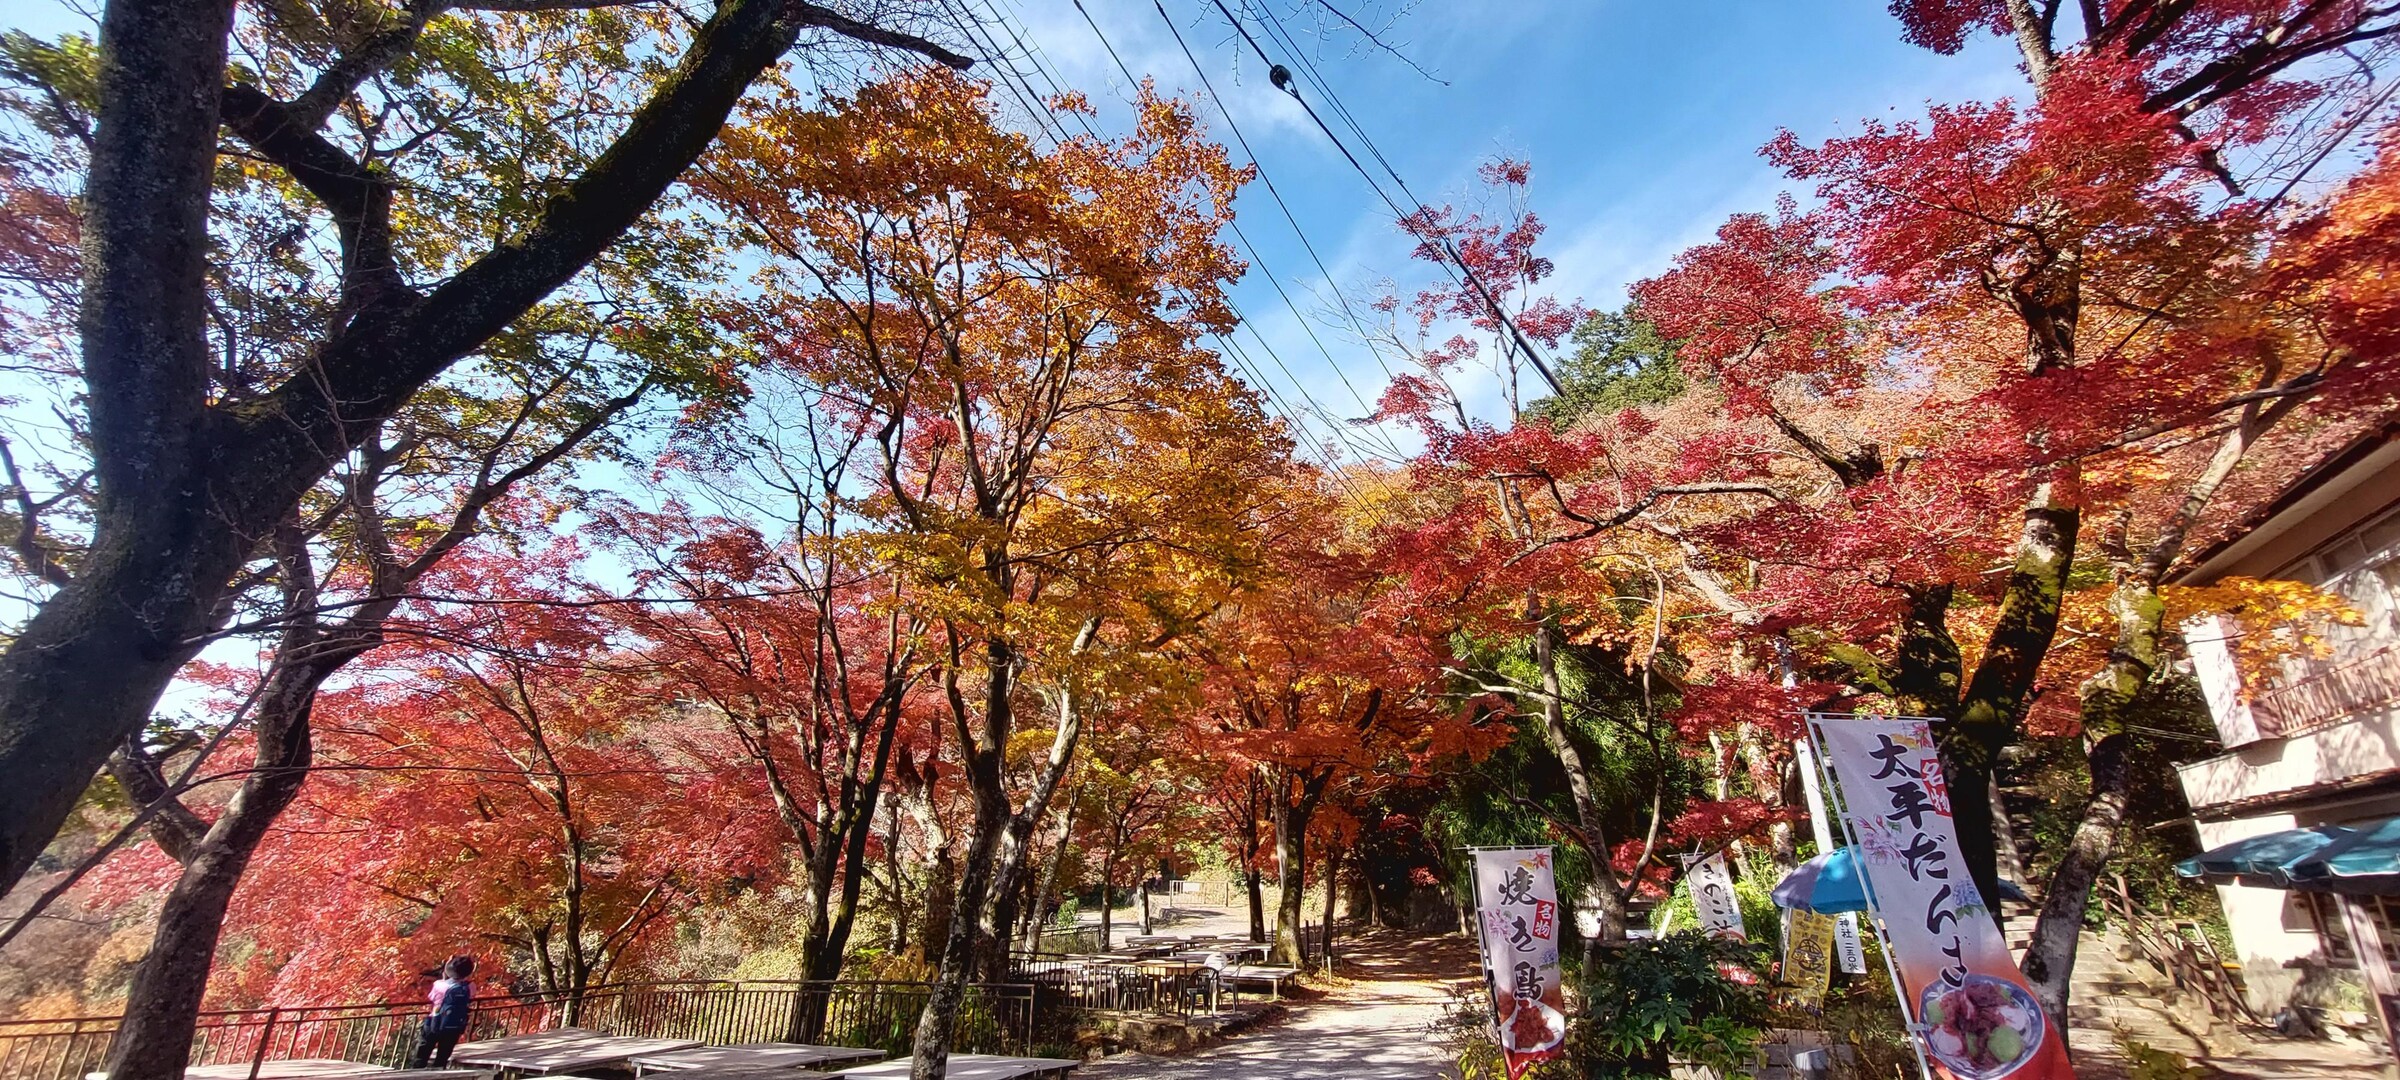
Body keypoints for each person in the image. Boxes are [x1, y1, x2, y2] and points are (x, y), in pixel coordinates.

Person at [409, 955, 475, 1068]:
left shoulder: (438, 984)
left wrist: (445, 975)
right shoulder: (470, 986)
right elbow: (471, 996)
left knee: (423, 1053)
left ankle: (417, 1071)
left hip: (434, 1022)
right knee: (443, 1056)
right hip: (454, 1025)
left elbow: (431, 997)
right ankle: (438, 1071)